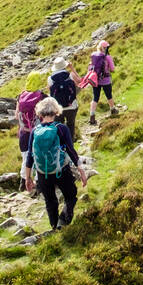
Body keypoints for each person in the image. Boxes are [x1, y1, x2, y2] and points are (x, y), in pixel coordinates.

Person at [24, 98, 88, 231]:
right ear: (56, 111)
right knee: (71, 196)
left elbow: (30, 156)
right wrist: (81, 171)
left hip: (42, 173)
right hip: (61, 170)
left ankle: (54, 227)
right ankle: (63, 222)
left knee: (50, 201)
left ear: (40, 114)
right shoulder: (61, 128)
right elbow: (71, 150)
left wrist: (27, 178)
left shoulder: (35, 131)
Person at [16, 73, 46, 189]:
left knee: (25, 158)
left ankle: (23, 183)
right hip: (38, 133)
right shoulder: (42, 97)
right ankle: (39, 185)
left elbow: (16, 116)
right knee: (39, 157)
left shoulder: (20, 96)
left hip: (24, 133)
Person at [47, 57, 81, 138]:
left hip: (58, 108)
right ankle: (70, 144)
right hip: (72, 105)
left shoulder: (50, 79)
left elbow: (50, 92)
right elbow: (80, 81)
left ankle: (61, 146)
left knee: (59, 126)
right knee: (71, 124)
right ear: (64, 65)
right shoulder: (70, 75)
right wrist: (72, 69)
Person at [87, 41, 116, 126]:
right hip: (106, 80)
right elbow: (112, 69)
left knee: (95, 97)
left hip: (95, 80)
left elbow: (90, 67)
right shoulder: (107, 57)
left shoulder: (94, 55)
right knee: (109, 95)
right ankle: (113, 110)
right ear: (106, 48)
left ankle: (92, 116)